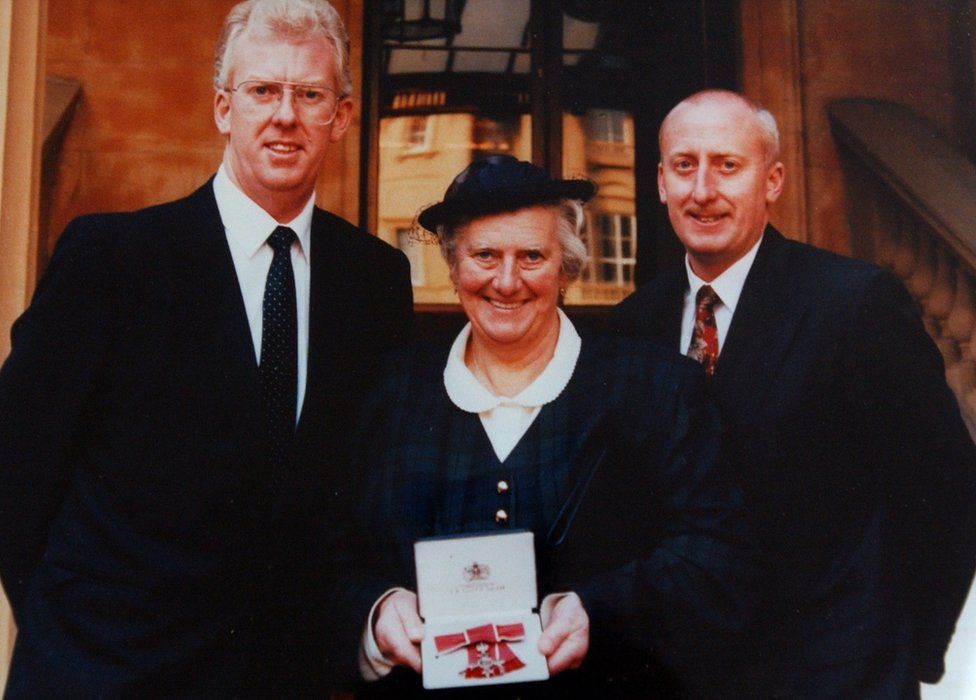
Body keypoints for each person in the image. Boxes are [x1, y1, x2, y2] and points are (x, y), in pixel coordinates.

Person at [0, 0, 412, 695]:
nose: (285, 115)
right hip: (107, 671)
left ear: (340, 117)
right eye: (262, 91)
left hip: (285, 677)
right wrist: (67, 627)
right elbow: (15, 465)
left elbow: (364, 486)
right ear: (224, 109)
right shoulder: (114, 260)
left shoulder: (373, 279)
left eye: (309, 94)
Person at [328, 154, 758, 698]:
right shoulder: (394, 390)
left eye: (532, 255)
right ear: (455, 265)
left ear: (566, 267)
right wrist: (376, 611)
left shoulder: (654, 387)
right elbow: (334, 552)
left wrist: (597, 612)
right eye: (484, 255)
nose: (506, 282)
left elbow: (719, 559)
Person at [611, 89, 976, 698]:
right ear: (659, 182)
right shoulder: (632, 325)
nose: (703, 190)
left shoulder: (854, 303)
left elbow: (945, 489)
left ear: (773, 180)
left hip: (837, 675)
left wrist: (907, 650)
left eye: (728, 166)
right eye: (684, 166)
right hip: (683, 676)